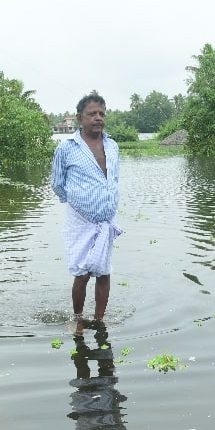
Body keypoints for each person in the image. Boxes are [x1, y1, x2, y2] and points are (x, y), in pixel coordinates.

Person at [50, 92, 122, 333]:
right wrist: (78, 202)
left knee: (104, 271)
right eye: (92, 114)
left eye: (101, 113)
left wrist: (106, 203)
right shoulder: (67, 148)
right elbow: (57, 184)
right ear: (80, 118)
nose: (98, 118)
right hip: (79, 219)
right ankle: (78, 319)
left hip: (106, 219)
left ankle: (99, 319)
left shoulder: (112, 146)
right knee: (82, 273)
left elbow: (113, 179)